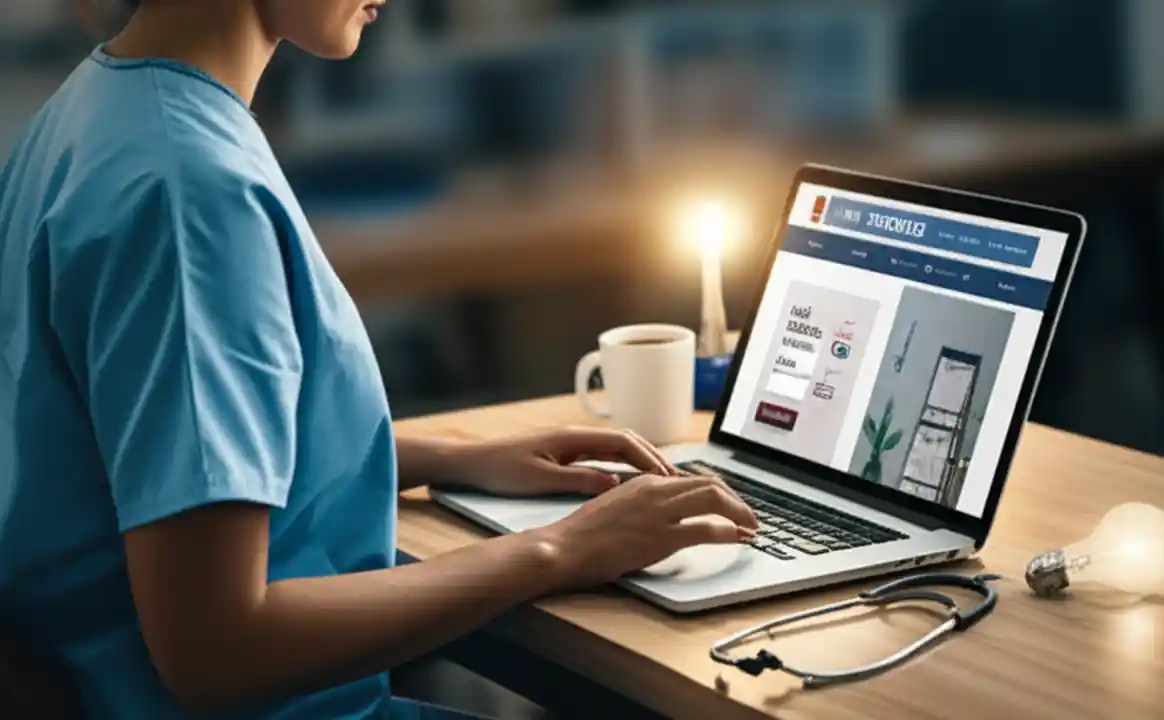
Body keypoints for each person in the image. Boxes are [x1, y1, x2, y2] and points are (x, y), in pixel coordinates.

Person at [0, 1, 758, 718]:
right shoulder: (191, 191)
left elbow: (147, 454)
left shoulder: (98, 110)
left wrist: (450, 457)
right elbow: (214, 646)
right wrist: (561, 549)